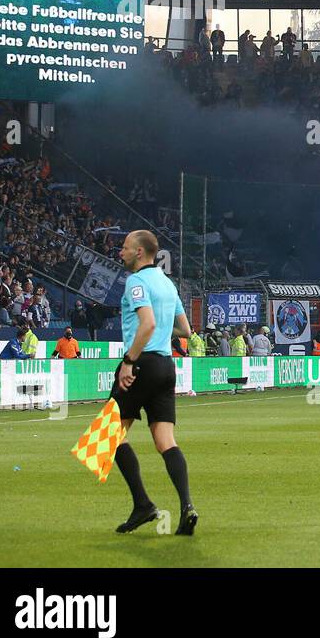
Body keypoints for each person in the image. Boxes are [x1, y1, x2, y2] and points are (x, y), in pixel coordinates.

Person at [111, 230, 198, 536]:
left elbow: (146, 323)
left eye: (124, 248)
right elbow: (185, 330)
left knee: (111, 434)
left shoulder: (136, 282)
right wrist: (161, 333)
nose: (120, 252)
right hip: (165, 366)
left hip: (141, 364)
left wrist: (129, 362)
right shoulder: (168, 283)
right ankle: (187, 506)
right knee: (166, 442)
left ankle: (143, 504)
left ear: (138, 252)